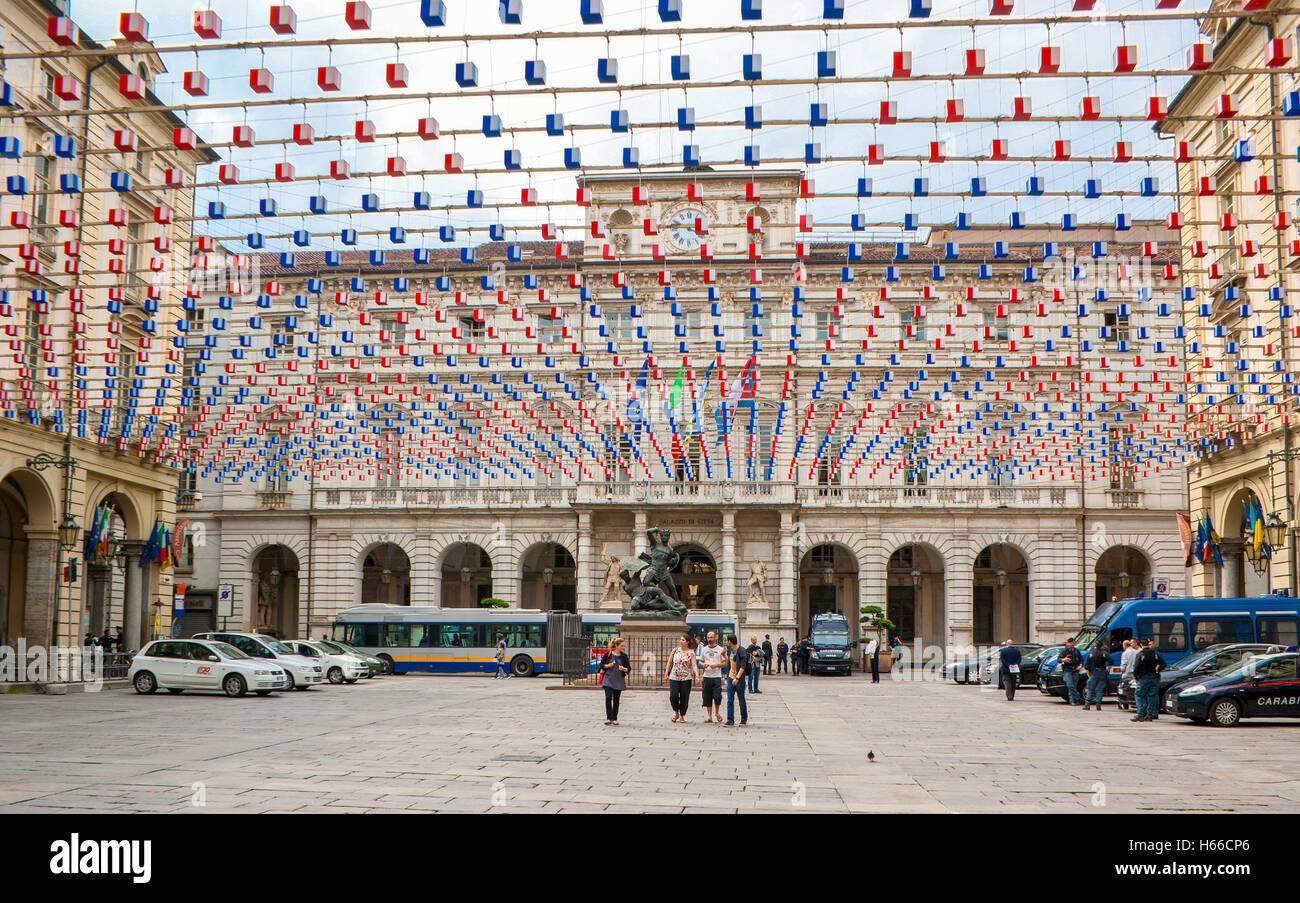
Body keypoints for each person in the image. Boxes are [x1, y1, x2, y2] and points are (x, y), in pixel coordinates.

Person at [664, 632, 700, 723]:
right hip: (674, 676)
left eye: (683, 640)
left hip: (686, 677)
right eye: (680, 639)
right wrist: (666, 672)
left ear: (687, 642)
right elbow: (669, 662)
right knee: (673, 696)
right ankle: (676, 712)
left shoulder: (691, 652)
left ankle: (682, 715)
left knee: (684, 697)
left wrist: (697, 676)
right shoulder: (675, 650)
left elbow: (694, 665)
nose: (681, 641)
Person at [1131, 637, 1164, 723]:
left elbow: (1136, 668)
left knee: (1139, 695)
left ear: (1141, 645)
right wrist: (1157, 671)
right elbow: (1163, 664)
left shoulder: (1140, 654)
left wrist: (1136, 677)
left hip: (1143, 678)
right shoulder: (1155, 653)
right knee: (1152, 696)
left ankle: (1140, 714)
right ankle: (1150, 715)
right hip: (1153, 677)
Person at [697, 631, 728, 723]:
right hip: (707, 676)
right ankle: (709, 716)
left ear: (715, 638)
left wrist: (717, 665)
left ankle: (717, 713)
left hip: (716, 676)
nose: (709, 639)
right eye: (708, 637)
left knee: (717, 696)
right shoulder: (704, 649)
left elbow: (725, 663)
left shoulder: (720, 649)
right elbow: (700, 661)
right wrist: (703, 664)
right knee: (707, 697)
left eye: (711, 637)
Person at [599, 637, 630, 725]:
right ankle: (609, 718)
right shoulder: (608, 654)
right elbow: (601, 665)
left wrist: (624, 669)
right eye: (622, 646)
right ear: (616, 645)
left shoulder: (624, 656)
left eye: (623, 646)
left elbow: (629, 669)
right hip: (608, 679)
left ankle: (614, 718)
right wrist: (607, 666)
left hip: (618, 680)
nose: (623, 648)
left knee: (616, 699)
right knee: (608, 698)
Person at [725, 634, 750, 726]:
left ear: (730, 641)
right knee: (730, 699)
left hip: (739, 679)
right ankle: (730, 719)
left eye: (726, 640)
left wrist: (737, 678)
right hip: (730, 677)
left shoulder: (741, 650)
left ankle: (744, 718)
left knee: (741, 698)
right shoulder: (730, 650)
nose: (726, 642)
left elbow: (743, 666)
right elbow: (730, 664)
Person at [1083, 641, 1110, 710]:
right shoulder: (1104, 654)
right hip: (1102, 672)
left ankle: (1087, 705)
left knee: (1090, 689)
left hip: (1093, 673)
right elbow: (1111, 661)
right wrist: (1108, 669)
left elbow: (1086, 666)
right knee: (1099, 690)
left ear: (1094, 646)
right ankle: (1098, 705)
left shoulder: (1090, 654)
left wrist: (1088, 674)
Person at [1059, 637, 1084, 706]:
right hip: (1068, 670)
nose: (1071, 644)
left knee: (1074, 686)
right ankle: (1078, 698)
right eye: (1070, 643)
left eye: (1072, 643)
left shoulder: (1076, 651)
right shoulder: (1065, 651)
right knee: (1070, 685)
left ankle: (1072, 700)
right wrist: (1064, 659)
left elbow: (1081, 659)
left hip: (1075, 670)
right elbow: (1059, 659)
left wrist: (1080, 665)